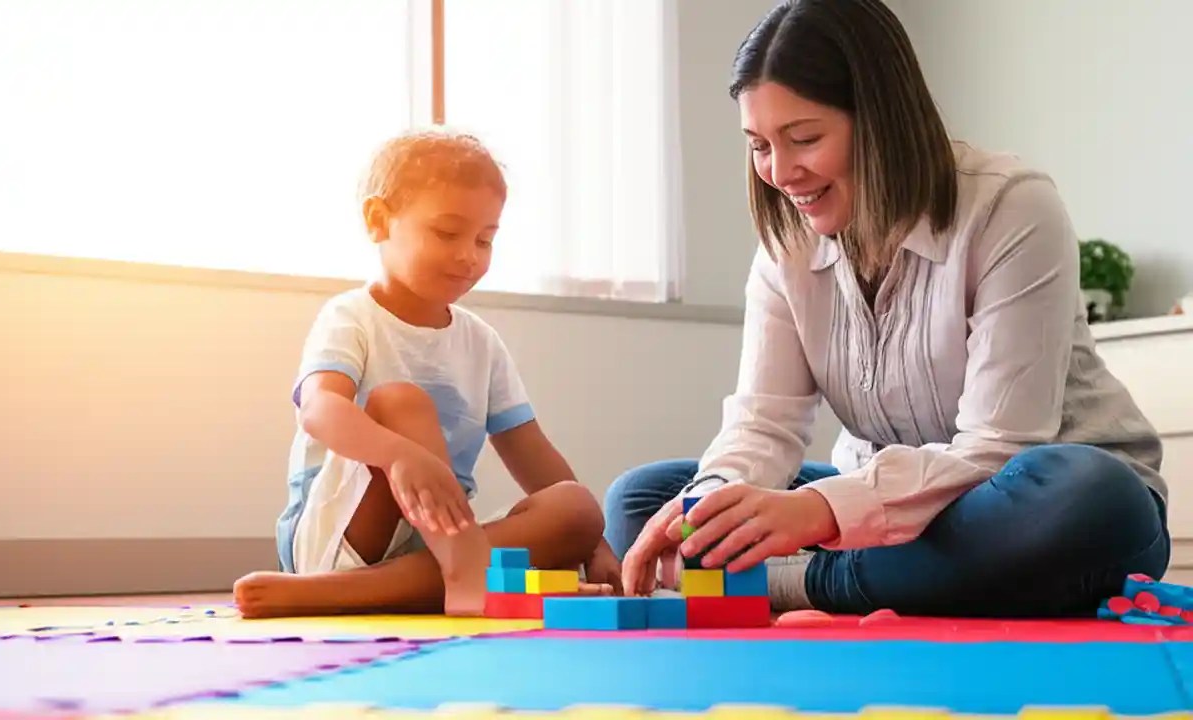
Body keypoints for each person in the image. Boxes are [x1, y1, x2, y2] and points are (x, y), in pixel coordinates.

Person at [606, 0, 1170, 618]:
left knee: (1089, 498)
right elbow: (764, 424)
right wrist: (709, 505)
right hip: (889, 510)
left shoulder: (1011, 208)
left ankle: (794, 583)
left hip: (1021, 492)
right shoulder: (787, 244)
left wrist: (815, 513)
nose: (780, 172)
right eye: (760, 145)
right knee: (643, 500)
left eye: (804, 139)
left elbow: (997, 448)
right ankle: (862, 576)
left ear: (881, 121)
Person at [235, 128, 621, 619]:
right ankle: (418, 579)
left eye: (485, 240)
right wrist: (397, 455)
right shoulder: (352, 316)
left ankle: (371, 592)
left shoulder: (480, 340)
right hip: (345, 537)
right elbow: (318, 409)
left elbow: (534, 456)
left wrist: (596, 546)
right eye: (447, 233)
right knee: (401, 402)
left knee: (576, 508)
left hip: (441, 547)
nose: (469, 256)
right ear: (379, 221)